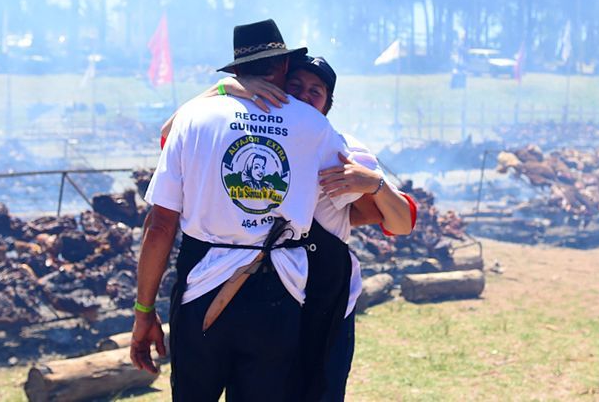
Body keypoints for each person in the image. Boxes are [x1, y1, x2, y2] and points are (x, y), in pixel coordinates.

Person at [130, 19, 357, 401]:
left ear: (236, 69)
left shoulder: (193, 117)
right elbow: (353, 194)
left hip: (200, 288)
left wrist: (143, 311)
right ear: (283, 66)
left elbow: (160, 226)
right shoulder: (313, 125)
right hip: (279, 292)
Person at [168, 55, 415, 401]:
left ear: (328, 103)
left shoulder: (340, 148)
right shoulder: (253, 141)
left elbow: (399, 222)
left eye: (316, 91)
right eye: (295, 86)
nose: (303, 96)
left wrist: (375, 184)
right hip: (273, 298)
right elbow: (171, 135)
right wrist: (224, 88)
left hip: (326, 299)